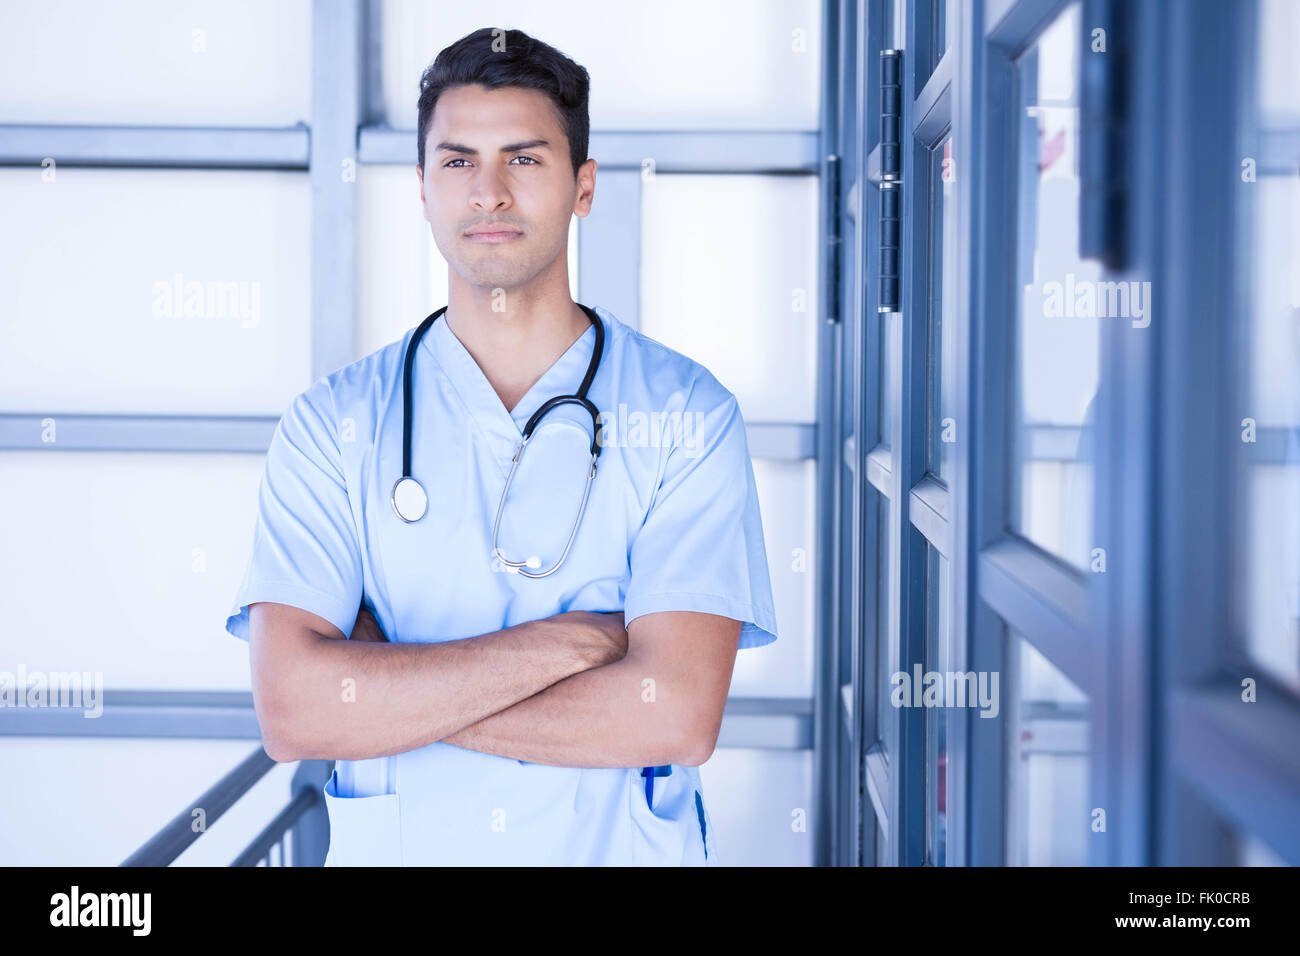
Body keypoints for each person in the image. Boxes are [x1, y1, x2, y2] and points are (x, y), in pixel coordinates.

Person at [224, 26, 778, 866]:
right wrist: (577, 644)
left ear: (583, 187)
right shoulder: (332, 426)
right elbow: (296, 716)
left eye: (524, 159)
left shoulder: (686, 417)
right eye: (457, 162)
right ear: (421, 188)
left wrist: (388, 689)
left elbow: (674, 716)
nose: (488, 192)